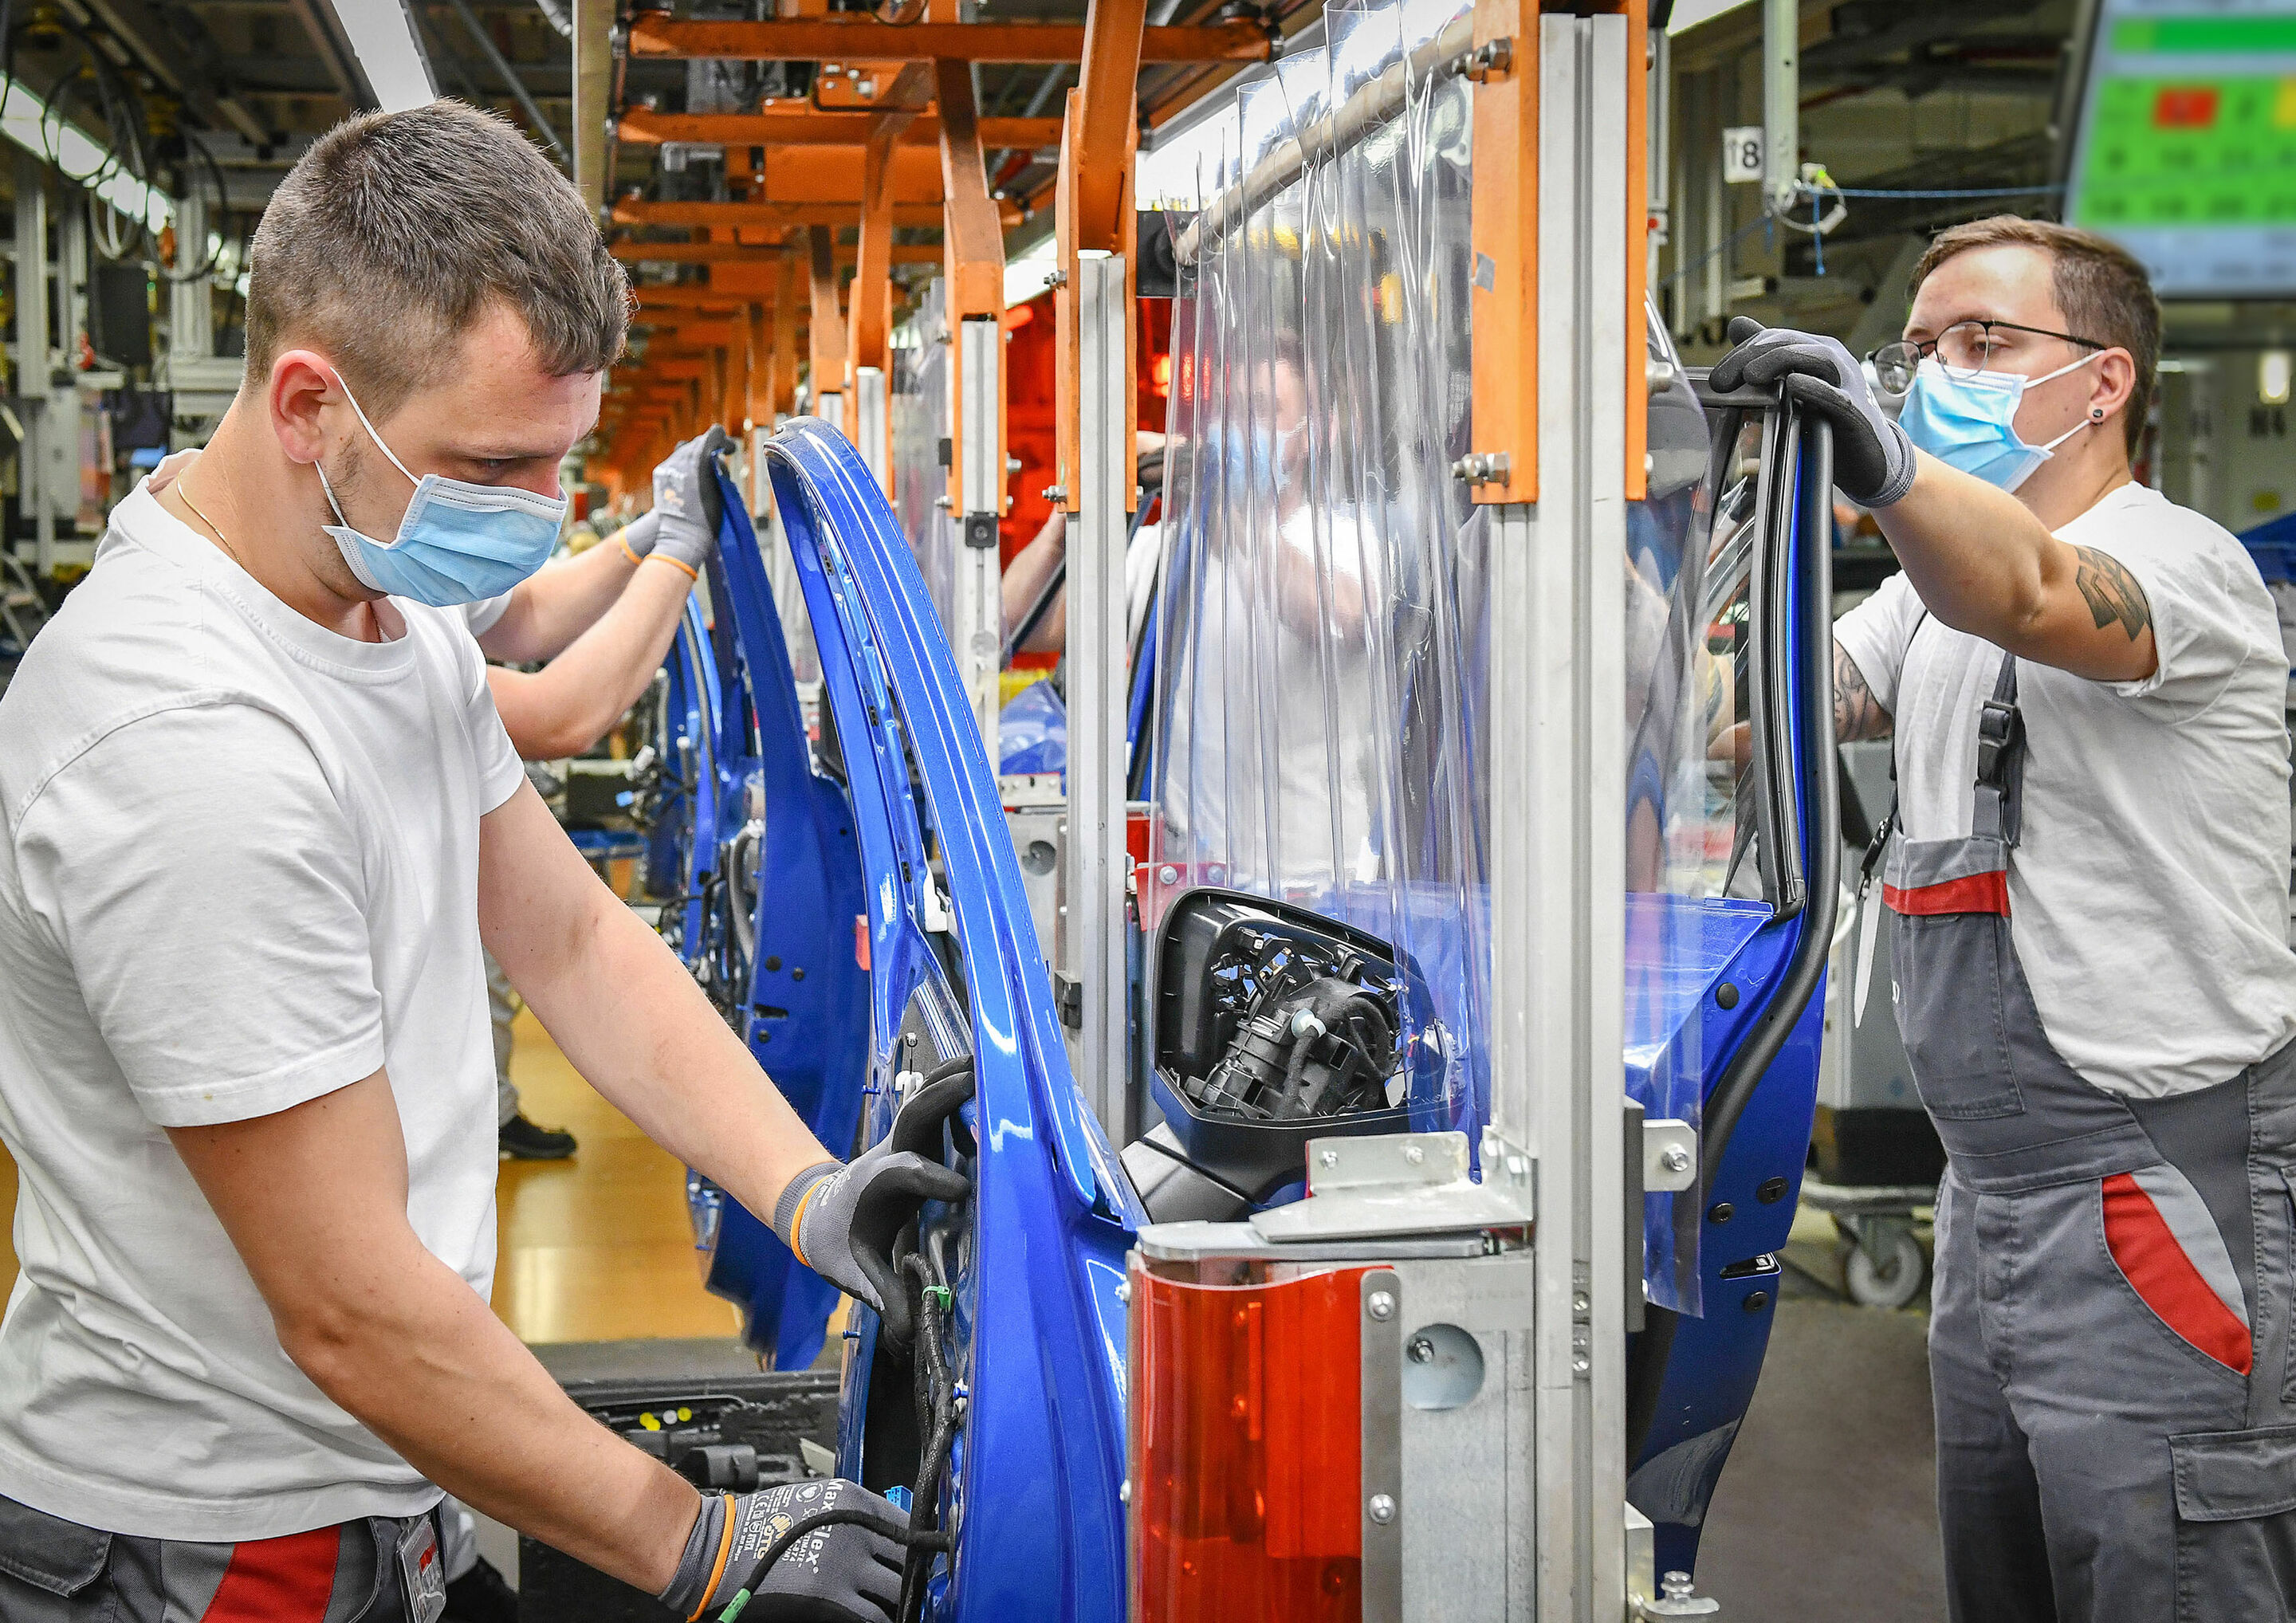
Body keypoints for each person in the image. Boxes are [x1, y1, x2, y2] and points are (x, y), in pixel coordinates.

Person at [0, 101, 961, 1622]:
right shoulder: (184, 746)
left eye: (559, 463)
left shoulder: (377, 610)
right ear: (311, 402)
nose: (536, 520)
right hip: (221, 1547)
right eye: (495, 464)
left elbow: (573, 941)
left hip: (396, 1478)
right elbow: (349, 1313)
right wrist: (703, 1547)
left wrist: (813, 1190)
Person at [1715, 216, 2296, 1621]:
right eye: (1916, 355)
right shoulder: (1926, 608)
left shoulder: (2181, 561)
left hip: (2156, 1192)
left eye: (1980, 343)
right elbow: (1752, 720)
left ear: (2103, 382)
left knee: (2169, 1574)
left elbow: (2031, 588)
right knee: (2010, 1582)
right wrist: (1717, 509)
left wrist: (1892, 465)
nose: (1933, 375)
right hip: (1988, 1197)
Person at [146, 427, 730, 1162]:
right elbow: (562, 713)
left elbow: (523, 617)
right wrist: (677, 551)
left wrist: (638, 543)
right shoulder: (259, 632)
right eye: (496, 458)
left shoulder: (390, 540)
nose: (545, 496)